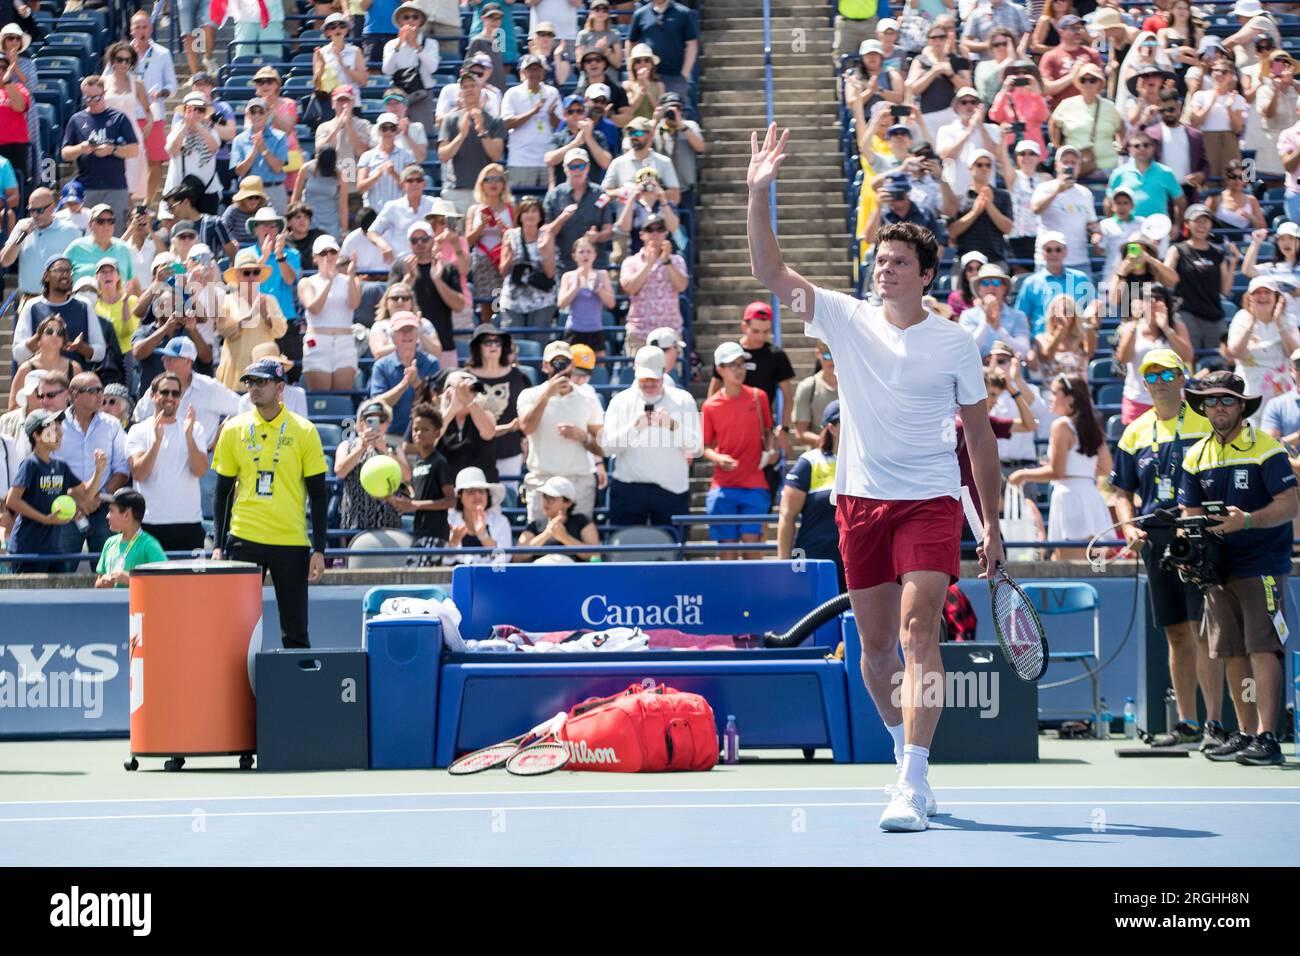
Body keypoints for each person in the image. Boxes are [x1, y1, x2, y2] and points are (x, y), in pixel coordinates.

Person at [748, 125, 1005, 832]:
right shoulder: (843, 316)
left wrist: (992, 523)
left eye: (898, 262)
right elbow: (771, 272)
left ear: (926, 276)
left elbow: (980, 437)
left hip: (930, 503)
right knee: (876, 649)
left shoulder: (955, 342)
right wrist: (759, 191)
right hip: (859, 503)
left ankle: (913, 781)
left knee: (922, 634)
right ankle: (903, 756)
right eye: (881, 259)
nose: (884, 269)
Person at [1179, 371, 1296, 766]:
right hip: (1217, 571)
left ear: (1242, 406)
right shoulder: (1196, 455)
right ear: (1202, 408)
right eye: (1211, 401)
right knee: (1232, 652)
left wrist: (1246, 521)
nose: (1219, 407)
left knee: (1262, 647)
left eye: (1227, 400)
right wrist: (1193, 548)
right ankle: (1246, 732)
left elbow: (1289, 504)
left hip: (1262, 564)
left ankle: (1267, 736)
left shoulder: (1266, 448)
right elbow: (1190, 511)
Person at [1110, 348, 1221, 749]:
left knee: (1202, 629)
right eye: (1152, 376)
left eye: (1167, 374)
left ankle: (1214, 724)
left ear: (1182, 377)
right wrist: (1128, 525)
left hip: (1199, 533)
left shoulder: (1205, 423)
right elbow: (1121, 491)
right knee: (1176, 631)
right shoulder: (1135, 431)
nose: (1159, 382)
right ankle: (1187, 723)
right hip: (1156, 538)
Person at [211, 359, 328, 648]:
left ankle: (296, 680)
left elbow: (318, 494)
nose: (254, 388)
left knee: (295, 632)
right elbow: (222, 492)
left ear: (280, 387)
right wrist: (217, 545)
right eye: (250, 382)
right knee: (238, 632)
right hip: (244, 539)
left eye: (262, 382)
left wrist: (320, 549)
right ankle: (240, 681)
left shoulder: (304, 430)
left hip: (290, 541)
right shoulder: (233, 429)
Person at [1007, 375, 1113, 559]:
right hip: (1091, 497)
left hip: (1069, 498)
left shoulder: (1061, 425)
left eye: (1054, 393)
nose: (1050, 397)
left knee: (1071, 564)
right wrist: (1077, 470)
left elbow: (1056, 472)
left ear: (1070, 398)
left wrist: (1023, 474)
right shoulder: (1093, 424)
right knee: (1095, 566)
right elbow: (1105, 467)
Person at [602, 345, 702, 526]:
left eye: (654, 378)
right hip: (629, 490)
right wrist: (635, 428)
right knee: (625, 543)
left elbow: (696, 447)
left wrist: (672, 425)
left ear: (664, 372)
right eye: (644, 378)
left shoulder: (683, 400)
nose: (649, 384)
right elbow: (607, 448)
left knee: (673, 544)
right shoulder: (620, 401)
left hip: (672, 490)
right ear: (635, 372)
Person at [3, 409, 106, 574]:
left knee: (58, 590)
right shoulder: (30, 464)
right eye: (54, 430)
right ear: (37, 435)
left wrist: (99, 471)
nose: (60, 434)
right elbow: (12, 500)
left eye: (60, 429)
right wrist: (45, 519)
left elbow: (86, 495)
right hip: (28, 547)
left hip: (54, 548)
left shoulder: (61, 466)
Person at [701, 341, 773, 561]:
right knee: (728, 553)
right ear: (720, 369)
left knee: (752, 549)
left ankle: (755, 587)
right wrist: (718, 458)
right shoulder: (710, 406)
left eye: (742, 364)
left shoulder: (759, 397)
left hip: (755, 485)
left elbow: (768, 431)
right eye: (733, 364)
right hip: (723, 487)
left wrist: (771, 451)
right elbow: (704, 447)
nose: (740, 369)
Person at [517, 339, 603, 520]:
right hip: (542, 481)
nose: (560, 367)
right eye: (555, 362)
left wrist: (583, 437)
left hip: (579, 482)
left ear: (572, 365)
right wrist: (547, 394)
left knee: (580, 536)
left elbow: (602, 445)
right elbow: (527, 427)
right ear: (545, 366)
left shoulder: (589, 397)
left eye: (564, 362)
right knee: (540, 535)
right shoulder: (529, 395)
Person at [54, 372, 131, 568]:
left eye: (101, 390)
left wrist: (96, 496)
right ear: (74, 394)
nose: (100, 395)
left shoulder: (112, 425)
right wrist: (76, 499)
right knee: (60, 574)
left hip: (104, 509)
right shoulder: (55, 425)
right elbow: (49, 469)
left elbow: (122, 470)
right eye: (93, 391)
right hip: (65, 509)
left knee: (109, 573)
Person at [778, 401, 845, 588]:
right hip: (814, 560)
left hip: (855, 561)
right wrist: (783, 565)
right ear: (831, 428)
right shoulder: (810, 461)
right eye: (846, 421)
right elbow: (786, 515)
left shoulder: (864, 462)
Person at [61, 75, 141, 232]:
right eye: (87, 98)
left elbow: (134, 149)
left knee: (116, 232)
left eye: (96, 97)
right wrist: (80, 148)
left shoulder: (119, 118)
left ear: (104, 94)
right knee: (87, 234)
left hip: (115, 186)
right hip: (87, 187)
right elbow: (65, 153)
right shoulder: (76, 119)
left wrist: (112, 149)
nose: (92, 102)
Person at [1116, 284, 1195, 423]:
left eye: (1157, 297)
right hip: (1137, 400)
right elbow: (1123, 358)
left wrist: (1166, 328)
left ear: (1166, 302)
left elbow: (1187, 357)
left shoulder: (1177, 326)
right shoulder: (1130, 327)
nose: (1152, 301)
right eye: (1146, 297)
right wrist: (1135, 322)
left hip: (1173, 400)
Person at [13, 255, 106, 371]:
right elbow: (18, 354)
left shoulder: (84, 305)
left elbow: (100, 353)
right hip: (41, 379)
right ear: (46, 276)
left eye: (68, 270)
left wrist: (80, 347)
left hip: (75, 379)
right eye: (60, 270)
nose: (65, 274)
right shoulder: (32, 306)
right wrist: (40, 337)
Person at [214, 249, 288, 393]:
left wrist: (267, 316)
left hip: (265, 374)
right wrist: (249, 316)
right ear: (237, 276)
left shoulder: (270, 300)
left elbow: (281, 331)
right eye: (246, 273)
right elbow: (224, 330)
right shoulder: (226, 300)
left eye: (256, 272)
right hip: (235, 372)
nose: (252, 277)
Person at [1226, 276, 1300, 416]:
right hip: (1250, 389)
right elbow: (1234, 353)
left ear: (1276, 297)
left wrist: (1279, 323)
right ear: (1250, 298)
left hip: (1282, 390)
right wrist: (1251, 323)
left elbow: (1295, 354)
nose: (1262, 296)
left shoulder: (1287, 318)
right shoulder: (1241, 317)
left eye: (1267, 292)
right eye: (1257, 293)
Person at [392, 401, 455, 565]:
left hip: (435, 534)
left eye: (425, 429)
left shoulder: (439, 462)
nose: (419, 433)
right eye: (415, 429)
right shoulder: (418, 463)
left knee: (421, 577)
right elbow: (417, 497)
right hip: (419, 532)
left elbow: (451, 500)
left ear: (437, 433)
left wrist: (415, 505)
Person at [334, 398, 411, 532]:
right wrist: (362, 447)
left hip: (389, 522)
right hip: (355, 523)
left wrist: (385, 450)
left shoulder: (394, 448)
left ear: (387, 424)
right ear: (360, 423)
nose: (376, 424)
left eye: (381, 419)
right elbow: (340, 472)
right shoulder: (347, 446)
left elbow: (406, 477)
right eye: (369, 419)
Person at [1166, 202, 1235, 351]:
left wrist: (1234, 264)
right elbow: (1167, 281)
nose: (1201, 225)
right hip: (1186, 313)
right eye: (1197, 221)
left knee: (1219, 359)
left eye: (1205, 221)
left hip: (1214, 315)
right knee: (1187, 357)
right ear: (1187, 224)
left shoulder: (1218, 253)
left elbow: (1225, 290)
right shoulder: (1177, 250)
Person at [438, 69, 507, 214]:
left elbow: (496, 155)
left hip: (484, 192)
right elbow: (443, 155)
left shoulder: (495, 121)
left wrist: (481, 130)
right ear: (460, 92)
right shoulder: (450, 119)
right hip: (456, 191)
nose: (469, 89)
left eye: (472, 85)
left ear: (480, 89)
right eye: (465, 86)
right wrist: (461, 136)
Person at [299, 235, 362, 392]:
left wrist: (351, 276)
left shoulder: (351, 280)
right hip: (317, 342)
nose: (328, 256)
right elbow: (314, 308)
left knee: (342, 395)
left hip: (345, 341)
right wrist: (329, 282)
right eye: (323, 253)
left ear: (338, 254)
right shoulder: (307, 282)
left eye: (332, 252)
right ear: (315, 258)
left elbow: (354, 304)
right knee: (321, 397)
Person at [619, 214, 688, 355]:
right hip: (640, 334)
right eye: (650, 230)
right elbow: (629, 288)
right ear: (641, 235)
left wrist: (666, 261)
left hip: (670, 334)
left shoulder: (677, 260)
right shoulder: (630, 262)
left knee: (673, 370)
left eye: (659, 229)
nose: (655, 234)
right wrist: (648, 264)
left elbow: (682, 286)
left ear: (665, 233)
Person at [0, 188, 83, 301]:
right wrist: (20, 237)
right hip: (29, 299)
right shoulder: (22, 226)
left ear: (52, 207)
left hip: (60, 299)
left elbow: (80, 266)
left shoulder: (71, 230)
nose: (34, 215)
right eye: (31, 210)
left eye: (39, 210)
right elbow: (5, 261)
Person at [368, 312, 441, 437]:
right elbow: (377, 405)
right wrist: (403, 385)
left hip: (424, 438)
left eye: (410, 329)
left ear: (417, 334)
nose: (407, 334)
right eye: (402, 330)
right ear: (393, 337)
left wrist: (416, 382)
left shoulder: (431, 363)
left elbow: (436, 404)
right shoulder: (381, 366)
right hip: (390, 437)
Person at [544, 147, 616, 272]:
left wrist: (597, 236)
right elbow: (545, 232)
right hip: (564, 265)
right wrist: (561, 219)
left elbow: (609, 230)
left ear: (588, 167)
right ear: (565, 169)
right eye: (572, 166)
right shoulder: (554, 195)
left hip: (595, 265)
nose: (577, 170)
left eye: (581, 166)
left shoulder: (599, 193)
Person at [1030, 147, 1098, 273]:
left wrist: (1096, 233)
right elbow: (1036, 209)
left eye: (1073, 163)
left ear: (1079, 167)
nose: (1069, 166)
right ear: (1057, 166)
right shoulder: (1044, 188)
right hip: (1048, 261)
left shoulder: (1085, 193)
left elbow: (1091, 223)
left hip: (1079, 261)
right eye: (1065, 162)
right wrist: (1058, 191)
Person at [1012, 231, 1095, 335]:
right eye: (1049, 250)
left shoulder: (1081, 278)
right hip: (1042, 340)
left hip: (1075, 339)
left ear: (1065, 252)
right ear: (1043, 253)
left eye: (1058, 249)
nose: (1053, 254)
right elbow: (1022, 317)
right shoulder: (1030, 282)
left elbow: (1093, 307)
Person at [501, 54, 563, 190]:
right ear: (523, 72)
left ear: (543, 73)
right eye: (530, 70)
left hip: (546, 159)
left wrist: (551, 114)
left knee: (546, 201)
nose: (534, 73)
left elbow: (560, 126)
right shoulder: (513, 93)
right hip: (520, 160)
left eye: (537, 70)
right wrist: (533, 111)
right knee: (521, 200)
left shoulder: (552, 92)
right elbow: (506, 123)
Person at [497, 195, 559, 328]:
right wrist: (510, 256)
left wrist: (543, 252)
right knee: (514, 340)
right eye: (526, 211)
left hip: (541, 300)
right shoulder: (510, 235)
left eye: (534, 211)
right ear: (520, 216)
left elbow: (550, 273)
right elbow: (502, 271)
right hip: (513, 300)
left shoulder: (546, 236)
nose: (530, 215)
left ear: (540, 216)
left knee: (538, 340)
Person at [945, 148, 1013, 265]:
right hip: (965, 261)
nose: (984, 168)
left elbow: (1008, 228)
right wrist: (975, 212)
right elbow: (952, 232)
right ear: (970, 168)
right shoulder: (960, 197)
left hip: (995, 259)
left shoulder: (1003, 195)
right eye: (979, 165)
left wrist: (989, 205)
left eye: (988, 165)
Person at [465, 164, 514, 323]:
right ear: (482, 184)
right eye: (489, 179)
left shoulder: (511, 208)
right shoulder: (474, 210)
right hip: (482, 262)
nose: (493, 183)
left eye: (498, 179)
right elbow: (468, 241)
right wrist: (481, 227)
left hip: (505, 262)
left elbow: (518, 238)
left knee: (504, 306)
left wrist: (504, 229)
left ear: (503, 184)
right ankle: (488, 333)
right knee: (487, 307)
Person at [92, 487, 168, 587]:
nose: (107, 516)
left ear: (127, 515)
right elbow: (98, 583)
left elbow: (165, 581)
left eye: (111, 511)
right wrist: (102, 582)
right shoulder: (109, 543)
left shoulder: (149, 545)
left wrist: (130, 580)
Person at [382, 3, 440, 132]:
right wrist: (399, 45)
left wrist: (416, 46)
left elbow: (432, 68)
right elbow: (387, 70)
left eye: (415, 17)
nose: (410, 20)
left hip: (423, 95)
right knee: (396, 133)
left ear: (420, 21)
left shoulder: (431, 43)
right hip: (398, 98)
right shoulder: (391, 45)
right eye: (406, 17)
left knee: (425, 134)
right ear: (400, 21)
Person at [515, 474, 599, 562]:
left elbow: (595, 556)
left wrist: (564, 537)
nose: (545, 502)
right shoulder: (536, 524)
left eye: (551, 498)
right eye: (544, 496)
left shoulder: (582, 521)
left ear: (568, 502)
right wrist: (546, 534)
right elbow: (517, 557)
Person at [1187, 59, 1247, 177]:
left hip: (1229, 142)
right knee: (1208, 179)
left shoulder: (1238, 98)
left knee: (1230, 179)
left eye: (1224, 72)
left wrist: (1229, 108)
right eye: (1216, 70)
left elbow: (1237, 129)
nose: (1219, 74)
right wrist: (1210, 103)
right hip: (1206, 141)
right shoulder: (1200, 95)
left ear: (1231, 76)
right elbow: (1194, 122)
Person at [1108, 128, 1184, 221]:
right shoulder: (1118, 173)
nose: (1142, 148)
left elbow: (1180, 201)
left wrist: (1177, 225)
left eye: (1146, 145)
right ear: (1129, 150)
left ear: (1153, 148)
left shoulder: (1165, 172)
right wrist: (1112, 224)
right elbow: (1108, 202)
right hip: (1127, 227)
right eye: (1137, 146)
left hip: (1158, 226)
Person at [627, 0, 698, 99]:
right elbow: (631, 42)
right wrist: (631, 73)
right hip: (647, 77)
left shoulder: (683, 13)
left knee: (674, 108)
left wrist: (684, 74)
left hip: (674, 76)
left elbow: (692, 44)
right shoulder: (640, 14)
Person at [8, 316, 81, 412]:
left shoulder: (74, 368)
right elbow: (13, 407)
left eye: (60, 333)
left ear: (63, 341)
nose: (55, 335)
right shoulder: (26, 369)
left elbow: (81, 403)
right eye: (49, 331)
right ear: (38, 340)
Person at [231, 97, 290, 214]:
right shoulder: (239, 140)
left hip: (274, 190)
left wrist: (263, 149)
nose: (257, 115)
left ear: (268, 113)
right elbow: (240, 171)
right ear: (248, 114)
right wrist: (254, 150)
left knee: (277, 224)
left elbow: (278, 168)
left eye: (261, 112)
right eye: (253, 112)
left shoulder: (280, 136)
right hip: (248, 193)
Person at [959, 262, 1031, 357]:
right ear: (979, 289)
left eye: (996, 282)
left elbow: (1023, 353)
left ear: (1004, 288)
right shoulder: (967, 316)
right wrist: (985, 322)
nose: (991, 287)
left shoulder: (1019, 316)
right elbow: (966, 351)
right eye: (985, 283)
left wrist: (998, 329)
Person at [445, 464, 513, 565]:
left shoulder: (501, 521)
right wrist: (453, 543)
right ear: (460, 496)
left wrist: (483, 536)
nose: (477, 496)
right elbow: (443, 561)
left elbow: (506, 557)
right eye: (471, 491)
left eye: (481, 491)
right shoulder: (449, 521)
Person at [558, 236, 615, 354]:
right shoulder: (568, 276)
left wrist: (598, 289)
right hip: (574, 330)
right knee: (572, 364)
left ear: (594, 255)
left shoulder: (602, 275)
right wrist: (575, 288)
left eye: (589, 251)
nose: (585, 255)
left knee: (600, 364)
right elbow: (561, 304)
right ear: (574, 255)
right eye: (581, 252)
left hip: (596, 330)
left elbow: (611, 304)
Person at [289, 147, 349, 243]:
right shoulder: (306, 169)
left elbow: (343, 207)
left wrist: (344, 231)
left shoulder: (341, 174)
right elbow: (296, 197)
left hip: (331, 224)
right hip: (308, 222)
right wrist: (291, 222)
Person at [1030, 294, 1096, 379]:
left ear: (1074, 316)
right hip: (1052, 386)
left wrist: (1089, 323)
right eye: (1056, 312)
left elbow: (1090, 352)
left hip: (1079, 386)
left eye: (1066, 311)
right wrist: (1062, 329)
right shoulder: (1041, 338)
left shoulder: (1081, 338)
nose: (1060, 316)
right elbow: (1047, 357)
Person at [792, 344, 839, 448]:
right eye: (827, 355)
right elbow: (800, 433)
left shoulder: (854, 386)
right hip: (820, 455)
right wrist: (829, 444)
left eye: (836, 355)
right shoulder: (807, 386)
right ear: (818, 354)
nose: (832, 360)